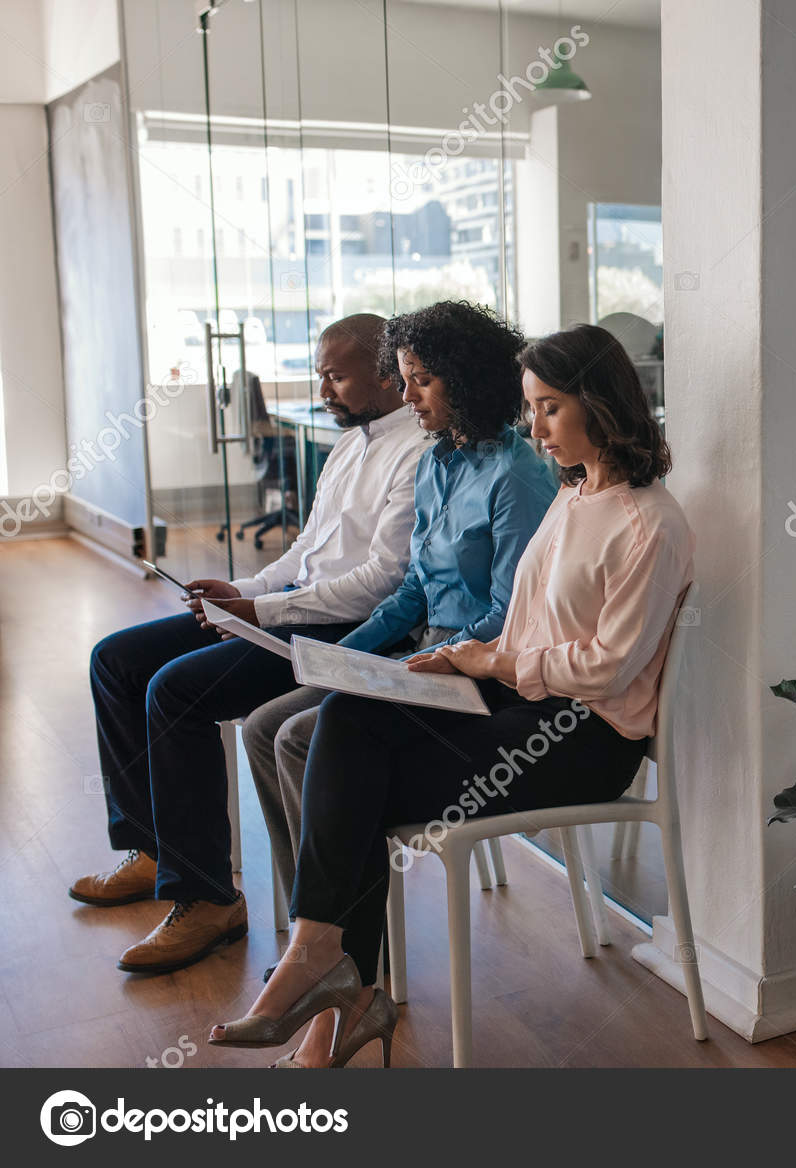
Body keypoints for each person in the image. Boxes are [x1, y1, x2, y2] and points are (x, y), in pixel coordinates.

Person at [209, 323, 691, 1068]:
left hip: (582, 739)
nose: (535, 427)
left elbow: (608, 669)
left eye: (551, 408)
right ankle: (327, 961)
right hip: (520, 703)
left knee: (349, 785)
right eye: (531, 407)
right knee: (348, 717)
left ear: (602, 403)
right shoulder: (574, 492)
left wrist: (491, 662)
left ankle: (338, 989)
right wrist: (464, 664)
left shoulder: (650, 522)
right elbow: (526, 617)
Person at [75, 314, 432, 974]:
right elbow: (305, 548)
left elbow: (382, 584)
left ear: (387, 375)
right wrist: (240, 589)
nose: (322, 388)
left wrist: (259, 608)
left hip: (346, 631)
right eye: (320, 372)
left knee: (175, 692)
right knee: (115, 662)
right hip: (291, 607)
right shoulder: (350, 442)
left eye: (335, 375)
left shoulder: (416, 451)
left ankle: (207, 899)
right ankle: (152, 847)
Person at [241, 302, 558, 917]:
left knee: (302, 738)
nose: (407, 395)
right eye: (404, 377)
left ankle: (346, 942)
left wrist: (427, 659)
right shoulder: (438, 460)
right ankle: (312, 923)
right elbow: (412, 587)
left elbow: (508, 612)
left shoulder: (515, 477)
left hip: (474, 667)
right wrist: (341, 655)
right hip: (423, 651)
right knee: (262, 730)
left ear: (464, 379)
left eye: (422, 379)